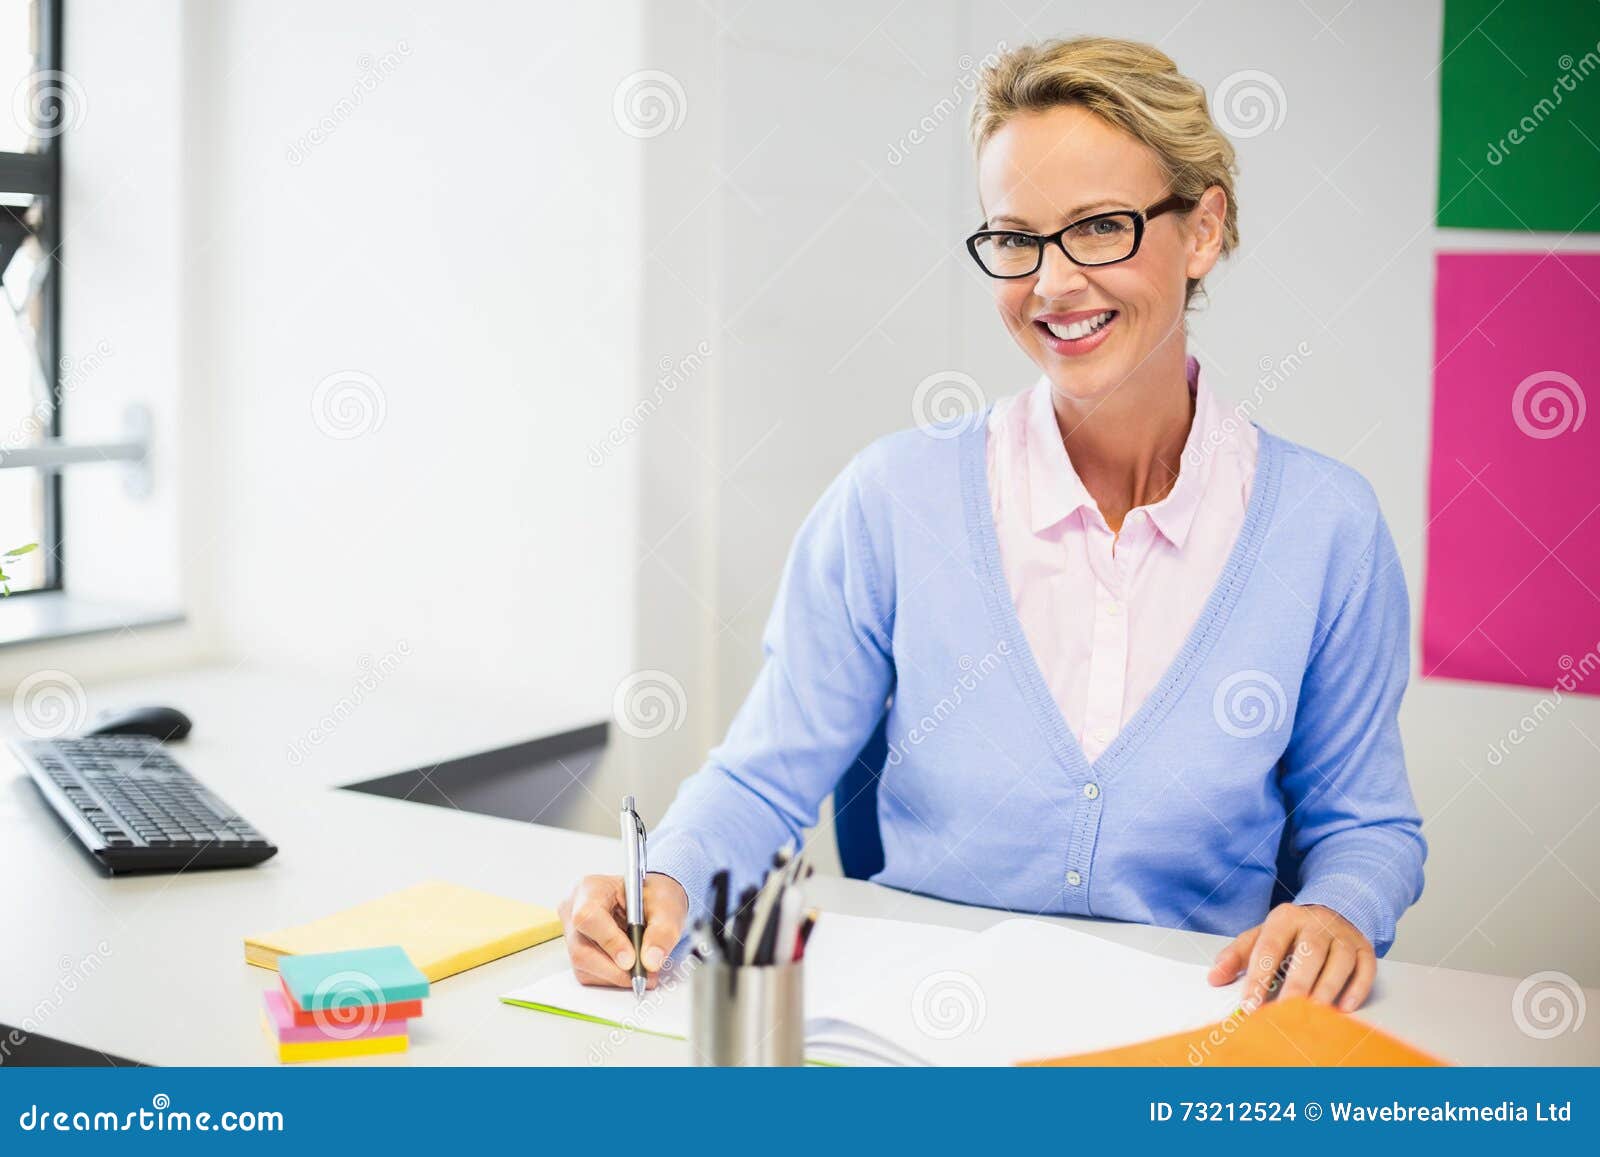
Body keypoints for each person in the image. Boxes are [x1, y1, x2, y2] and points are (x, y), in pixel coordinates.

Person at [559, 35, 1425, 1014]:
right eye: (1015, 238)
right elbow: (762, 782)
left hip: (1186, 1039)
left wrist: (1338, 908)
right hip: (917, 1027)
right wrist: (663, 882)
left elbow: (1366, 825)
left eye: (1099, 227)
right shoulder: (892, 500)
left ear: (1201, 230)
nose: (1052, 284)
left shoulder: (1324, 526)